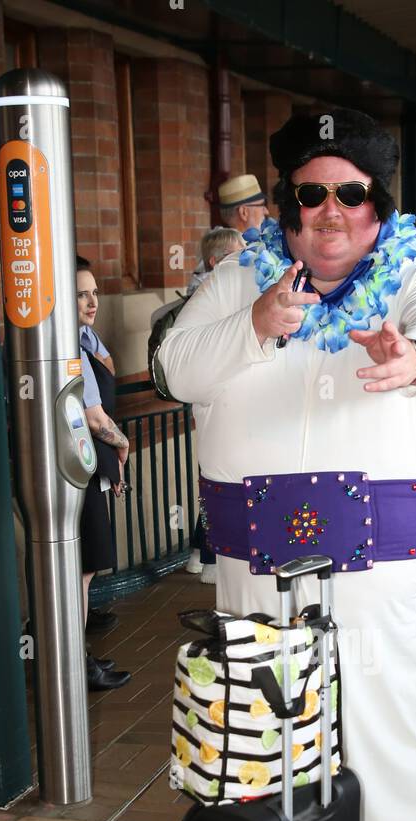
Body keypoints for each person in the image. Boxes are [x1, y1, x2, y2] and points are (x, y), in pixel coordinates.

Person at [157, 107, 416, 821]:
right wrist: (256, 325)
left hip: (377, 581)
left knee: (391, 754)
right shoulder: (239, 284)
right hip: (257, 578)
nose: (330, 211)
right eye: (311, 194)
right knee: (259, 754)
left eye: (350, 194)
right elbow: (176, 368)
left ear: (377, 206)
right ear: (290, 206)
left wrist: (409, 361)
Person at [76, 259, 132, 691]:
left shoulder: (87, 338)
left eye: (94, 292)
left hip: (86, 462)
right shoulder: (69, 346)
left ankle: (73, 653)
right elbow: (95, 418)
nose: (92, 301)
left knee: (86, 566)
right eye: (81, 294)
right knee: (83, 568)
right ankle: (75, 660)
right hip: (77, 464)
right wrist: (122, 442)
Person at [180, 227, 245, 584]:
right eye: (238, 254)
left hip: (217, 399)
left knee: (216, 477)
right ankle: (210, 555)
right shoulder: (208, 297)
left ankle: (203, 551)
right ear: (215, 261)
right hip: (215, 400)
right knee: (218, 478)